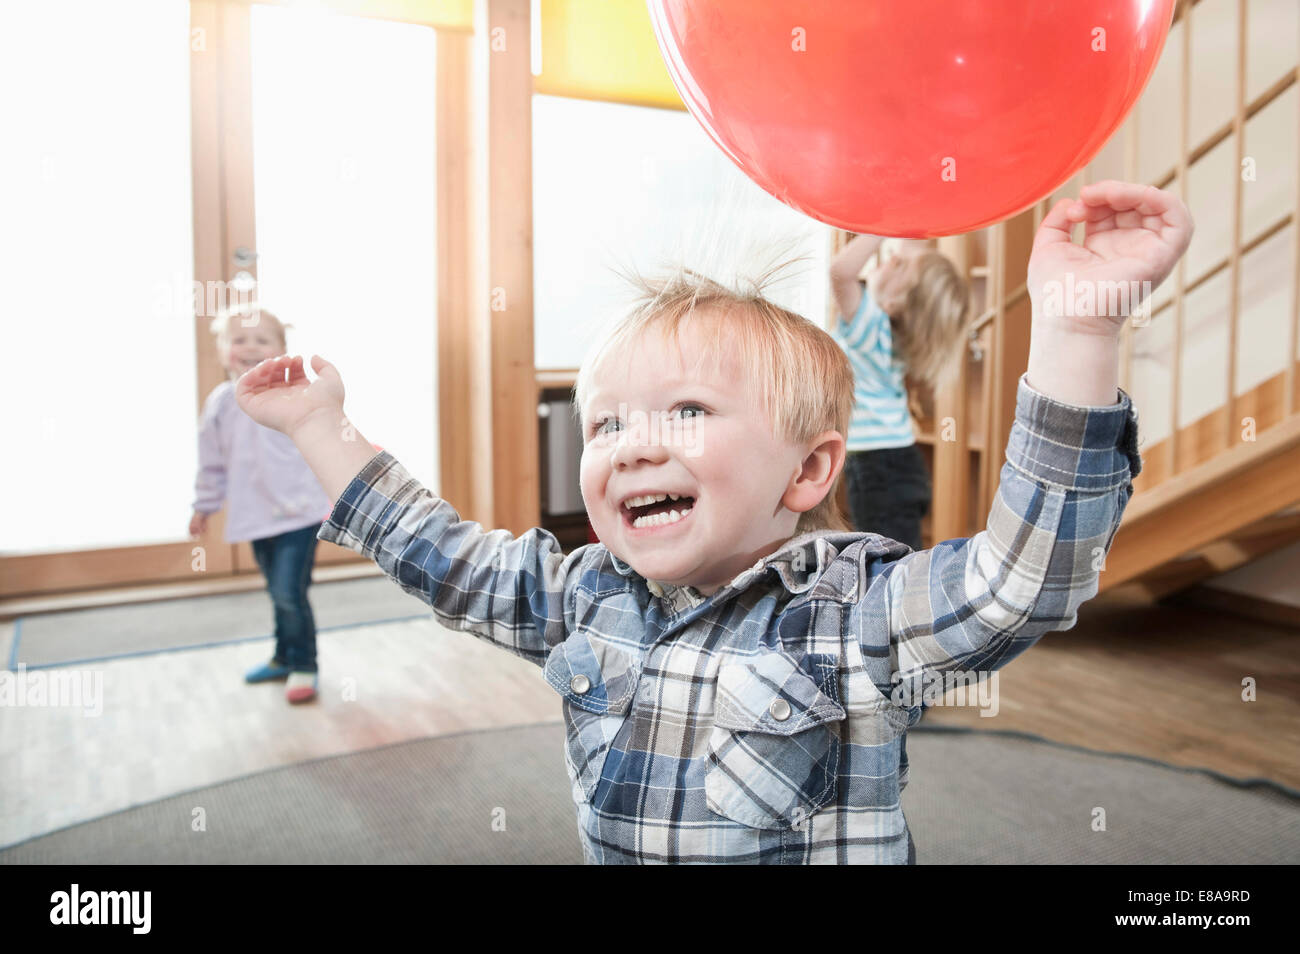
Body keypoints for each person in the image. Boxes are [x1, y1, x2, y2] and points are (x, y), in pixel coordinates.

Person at [234, 181, 1191, 863]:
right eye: (606, 423)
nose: (633, 447)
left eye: (686, 411)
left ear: (809, 468)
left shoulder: (857, 611)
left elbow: (1025, 578)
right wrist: (322, 426)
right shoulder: (579, 597)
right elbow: (438, 553)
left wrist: (1078, 327)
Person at [189, 302, 331, 704]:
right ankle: (283, 656)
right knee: (278, 591)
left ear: (281, 349)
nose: (250, 347)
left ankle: (304, 664)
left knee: (289, 591)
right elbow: (211, 461)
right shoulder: (219, 402)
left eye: (262, 339)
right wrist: (204, 505)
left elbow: (321, 445)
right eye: (239, 339)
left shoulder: (290, 397)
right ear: (222, 350)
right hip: (255, 517)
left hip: (299, 514)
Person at [828, 234, 973, 549]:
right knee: (897, 558)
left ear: (896, 304)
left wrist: (877, 227)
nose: (890, 258)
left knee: (886, 562)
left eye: (899, 264)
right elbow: (912, 247)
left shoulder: (872, 329)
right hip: (897, 462)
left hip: (878, 467)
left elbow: (840, 272)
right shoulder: (891, 336)